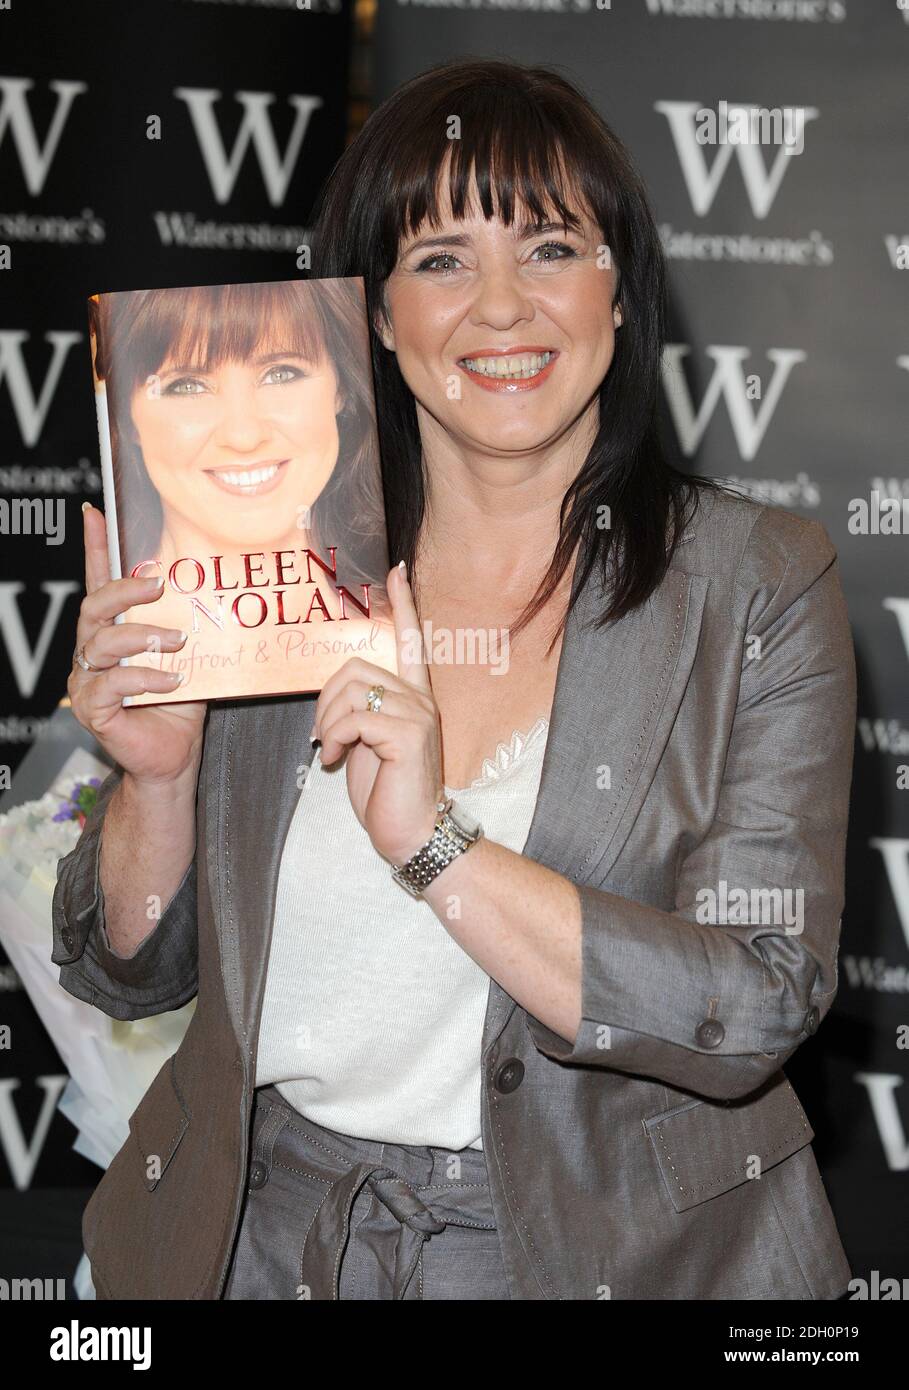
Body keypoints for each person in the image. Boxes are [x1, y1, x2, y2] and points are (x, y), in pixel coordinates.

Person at [52, 58, 856, 1300]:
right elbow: (130, 971)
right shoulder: (269, 567)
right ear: (372, 313)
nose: (500, 310)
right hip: (264, 1244)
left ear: (620, 288)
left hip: (605, 1257)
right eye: (438, 261)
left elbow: (755, 1000)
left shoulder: (754, 584)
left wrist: (436, 843)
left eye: (549, 250)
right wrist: (156, 784)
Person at [87, 279, 395, 699]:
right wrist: (151, 767)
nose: (244, 435)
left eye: (281, 373)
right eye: (187, 385)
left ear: (341, 386)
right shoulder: (113, 673)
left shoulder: (417, 646)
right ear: (125, 412)